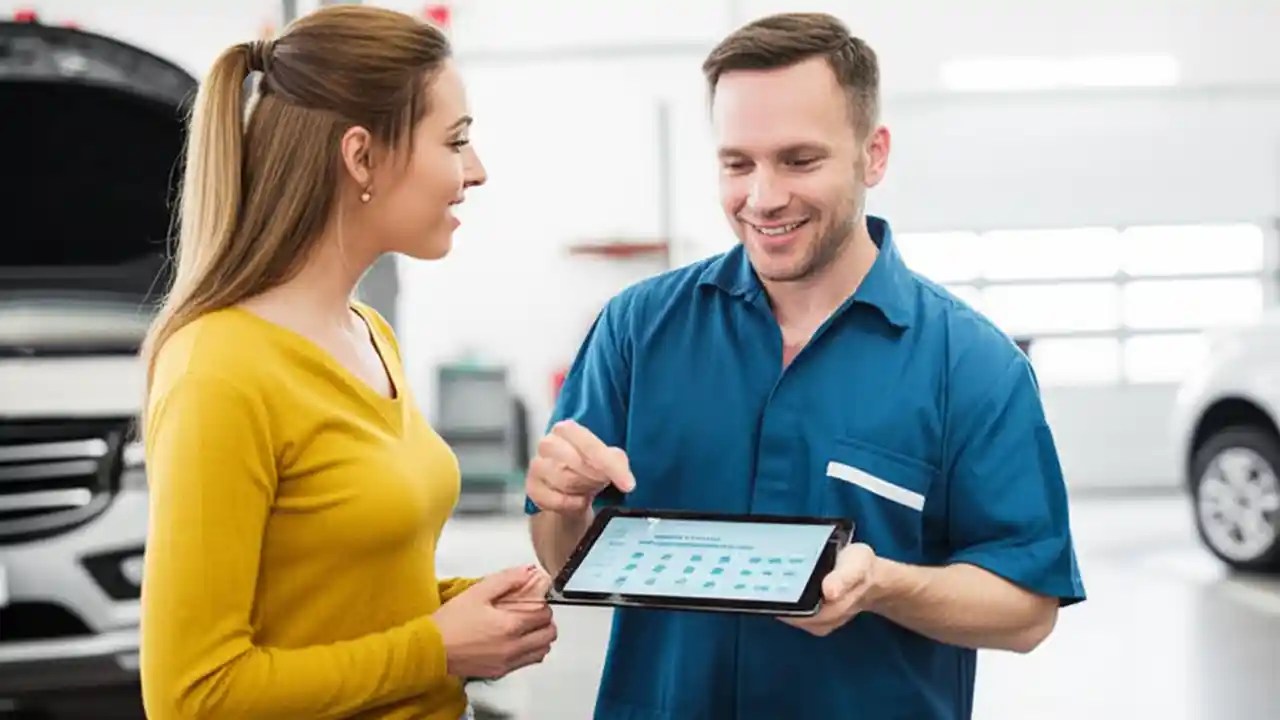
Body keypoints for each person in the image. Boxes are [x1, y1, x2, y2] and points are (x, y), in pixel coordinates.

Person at [525, 12, 1085, 720]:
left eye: (799, 160)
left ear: (872, 155)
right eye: (738, 163)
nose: (763, 197)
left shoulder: (972, 366)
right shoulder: (637, 329)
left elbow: (1028, 609)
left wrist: (884, 585)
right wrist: (559, 504)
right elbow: (562, 555)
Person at [138, 7, 555, 719]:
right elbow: (192, 696)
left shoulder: (368, 332)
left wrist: (469, 608)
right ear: (361, 156)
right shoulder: (220, 370)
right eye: (455, 141)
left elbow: (338, 596)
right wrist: (438, 647)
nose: (476, 171)